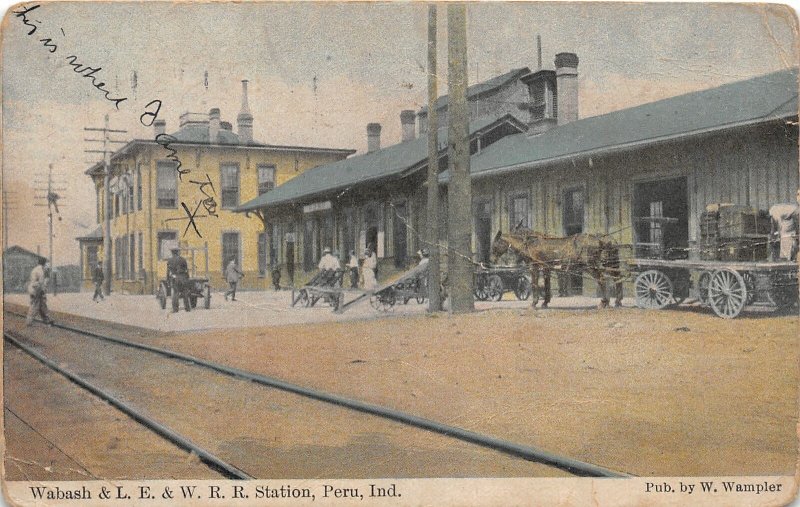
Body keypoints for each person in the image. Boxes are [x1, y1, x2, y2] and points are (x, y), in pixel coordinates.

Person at [26, 257, 53, 326]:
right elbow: (41, 283)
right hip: (37, 290)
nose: (48, 264)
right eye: (47, 263)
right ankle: (29, 322)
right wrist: (43, 291)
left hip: (34, 289)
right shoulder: (40, 270)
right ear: (44, 263)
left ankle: (47, 320)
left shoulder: (36, 269)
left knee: (42, 305)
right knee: (35, 306)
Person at [166, 247, 191, 312]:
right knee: (185, 293)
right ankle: (187, 308)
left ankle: (175, 309)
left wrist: (168, 280)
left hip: (175, 278)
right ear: (178, 252)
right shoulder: (183, 259)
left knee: (175, 293)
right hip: (183, 277)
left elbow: (168, 272)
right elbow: (186, 270)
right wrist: (187, 278)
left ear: (172, 253)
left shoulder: (170, 260)